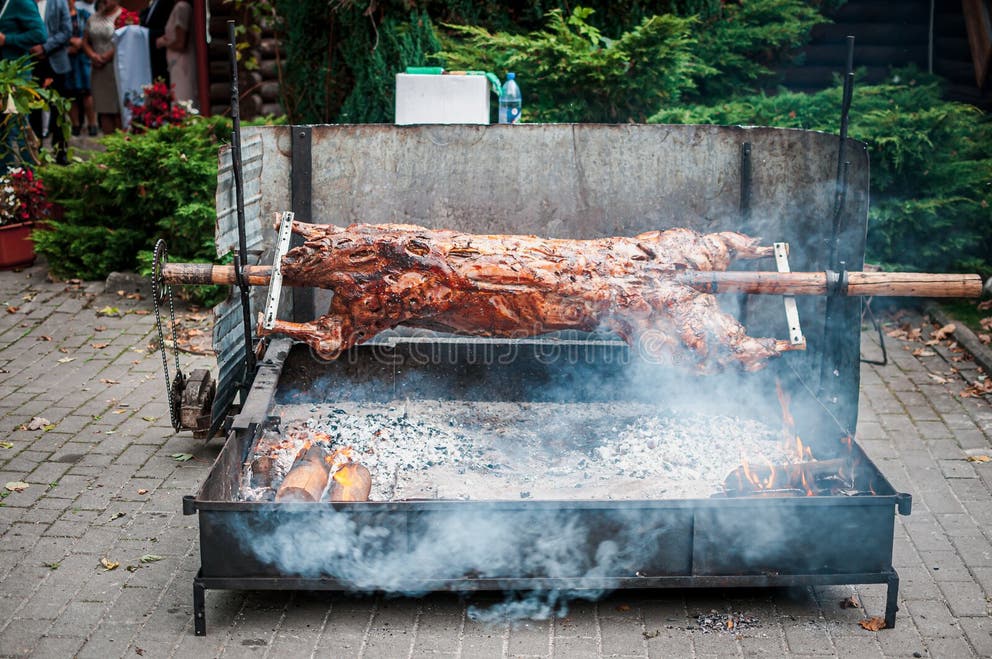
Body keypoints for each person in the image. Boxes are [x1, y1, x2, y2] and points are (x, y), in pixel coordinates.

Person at [0, 0, 47, 167]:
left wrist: (8, 39)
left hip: (16, 75)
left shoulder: (21, 2)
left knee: (16, 126)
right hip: (1, 73)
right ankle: (4, 177)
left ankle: (29, 176)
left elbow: (40, 34)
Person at [29, 0, 71, 164]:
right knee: (34, 110)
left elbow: (66, 31)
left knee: (58, 110)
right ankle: (35, 152)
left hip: (56, 62)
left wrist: (45, 47)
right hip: (33, 63)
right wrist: (33, 46)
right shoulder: (27, 3)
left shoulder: (59, 2)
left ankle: (60, 152)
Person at [81, 0, 121, 134]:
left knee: (117, 109)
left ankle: (121, 144)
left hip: (116, 66)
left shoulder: (123, 15)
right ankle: (108, 145)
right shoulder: (93, 17)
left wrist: (106, 57)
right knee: (103, 108)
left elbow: (124, 41)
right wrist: (93, 55)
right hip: (98, 69)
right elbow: (85, 41)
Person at [154, 0, 194, 108]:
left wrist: (163, 42)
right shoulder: (180, 7)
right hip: (175, 64)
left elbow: (180, 43)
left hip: (182, 64)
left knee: (182, 100)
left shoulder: (181, 7)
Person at [65, 0, 96, 136]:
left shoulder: (84, 14)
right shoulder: (61, 16)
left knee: (87, 91)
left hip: (84, 58)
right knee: (70, 93)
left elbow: (93, 33)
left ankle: (92, 124)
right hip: (68, 59)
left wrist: (82, 42)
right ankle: (75, 125)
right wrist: (69, 42)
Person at [140, 0, 172, 83]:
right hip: (150, 53)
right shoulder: (153, 3)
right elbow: (145, 20)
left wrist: (150, 35)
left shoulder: (167, 2)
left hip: (162, 52)